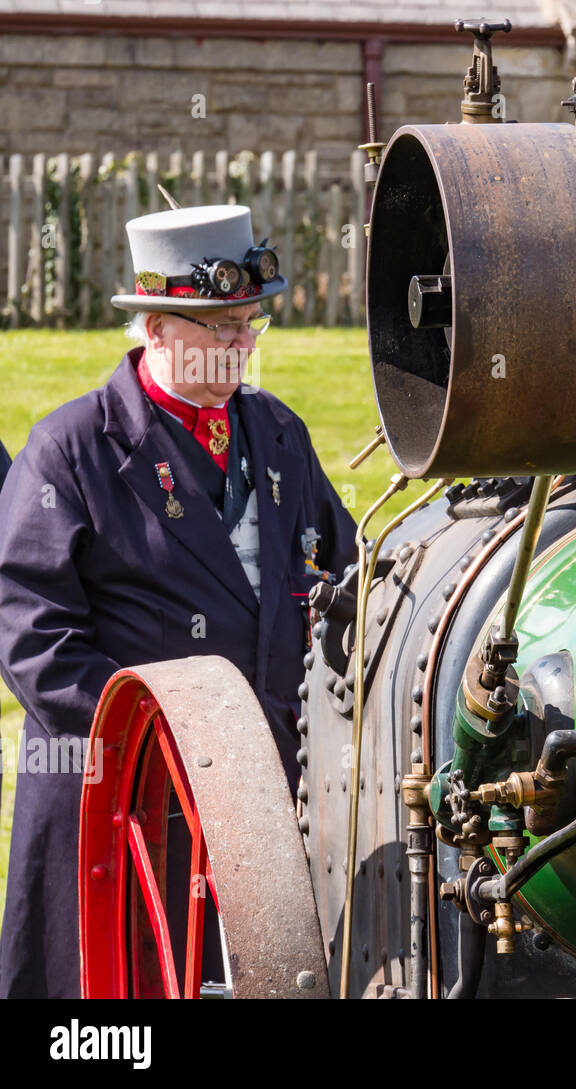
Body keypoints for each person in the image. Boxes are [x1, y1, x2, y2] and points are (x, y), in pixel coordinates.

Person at [0, 205, 357, 998]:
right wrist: (169, 743)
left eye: (249, 326)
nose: (242, 347)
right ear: (155, 329)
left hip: (262, 806)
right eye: (220, 328)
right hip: (122, 808)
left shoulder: (277, 432)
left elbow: (343, 576)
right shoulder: (70, 449)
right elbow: (33, 638)